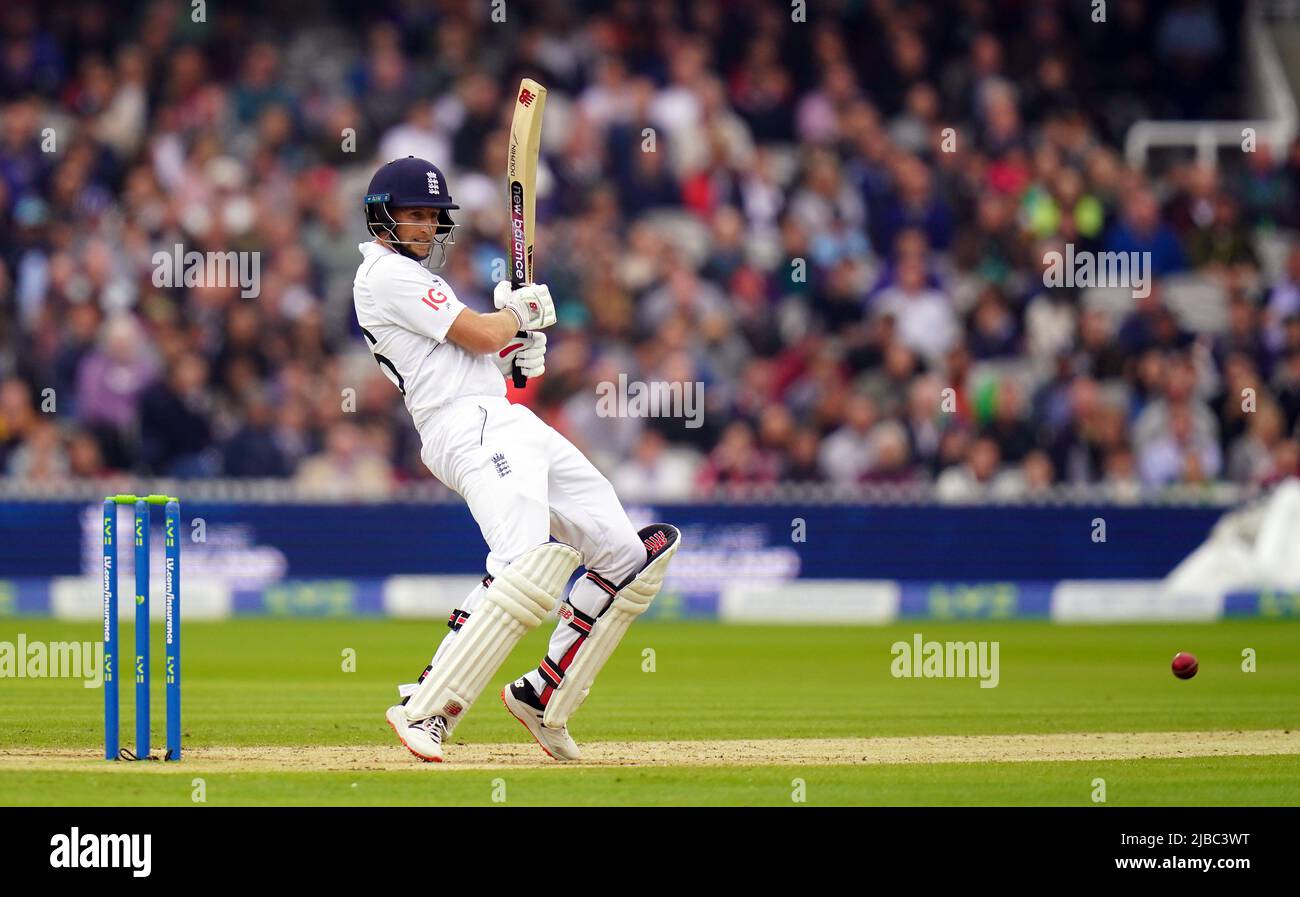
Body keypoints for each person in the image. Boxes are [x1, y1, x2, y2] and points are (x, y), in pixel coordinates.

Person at [352, 157, 680, 762]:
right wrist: (518, 318)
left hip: (497, 415)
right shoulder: (383, 275)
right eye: (414, 214)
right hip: (463, 426)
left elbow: (475, 353)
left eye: (432, 216)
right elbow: (477, 334)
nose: (425, 226)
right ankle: (426, 708)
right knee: (526, 564)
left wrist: (513, 355)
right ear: (382, 216)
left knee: (627, 555)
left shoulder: (416, 281)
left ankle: (543, 694)